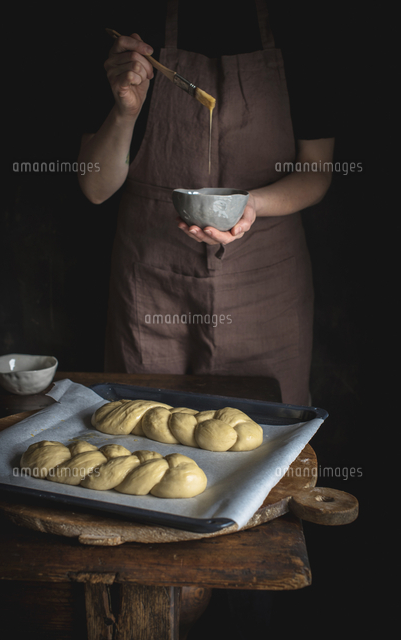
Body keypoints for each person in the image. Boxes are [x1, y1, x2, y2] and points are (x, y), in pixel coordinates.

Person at [77, 0, 335, 407]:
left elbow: (317, 171)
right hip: (150, 281)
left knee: (266, 435)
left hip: (266, 279)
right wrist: (126, 110)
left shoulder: (300, 23)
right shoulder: (135, 32)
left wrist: (251, 204)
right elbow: (95, 187)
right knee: (145, 431)